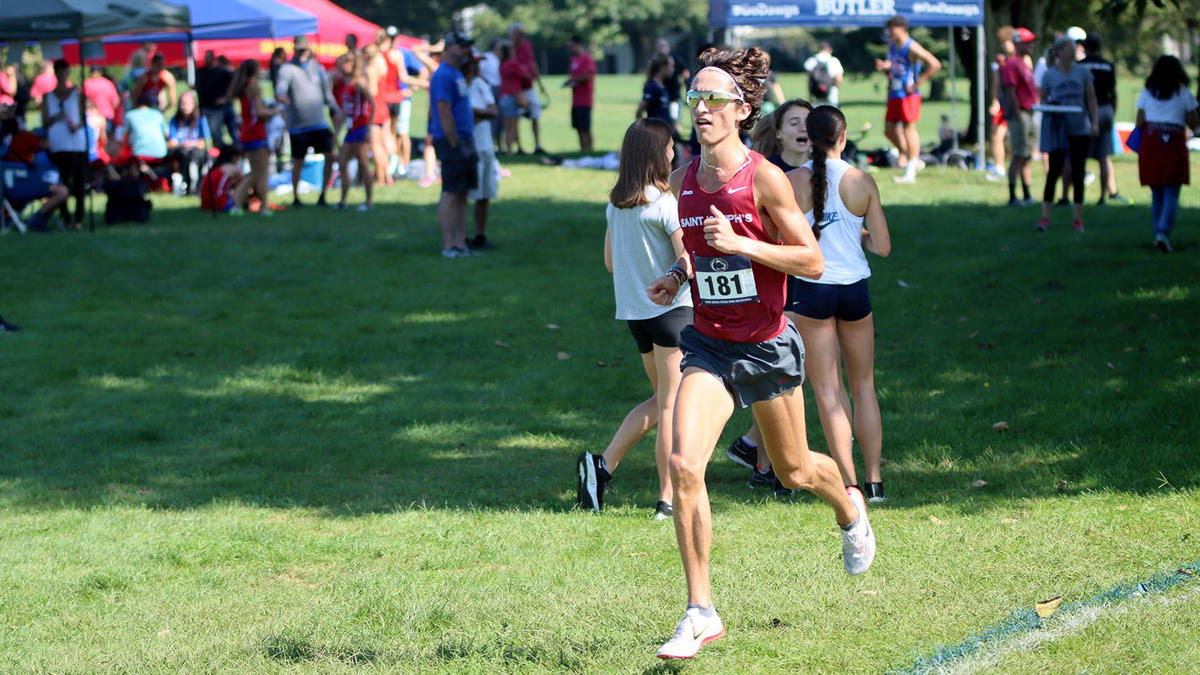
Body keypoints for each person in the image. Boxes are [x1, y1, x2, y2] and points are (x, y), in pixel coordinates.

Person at [648, 47, 875, 660]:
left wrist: (747, 246)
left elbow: (812, 260)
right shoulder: (683, 181)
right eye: (695, 97)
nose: (701, 108)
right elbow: (697, 247)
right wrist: (676, 275)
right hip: (709, 344)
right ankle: (700, 611)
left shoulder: (765, 178)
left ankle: (849, 507)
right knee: (684, 463)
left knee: (797, 470)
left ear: (743, 109)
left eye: (714, 98)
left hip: (767, 347)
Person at [578, 117, 691, 520]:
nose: (674, 152)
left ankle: (602, 465)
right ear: (656, 155)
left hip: (637, 318)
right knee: (672, 406)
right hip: (674, 312)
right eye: (670, 147)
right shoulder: (665, 205)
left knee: (662, 398)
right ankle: (667, 499)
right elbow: (687, 259)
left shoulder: (616, 205)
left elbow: (610, 264)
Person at [788, 104, 892, 502]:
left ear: (808, 139)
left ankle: (848, 483)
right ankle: (875, 480)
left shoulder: (793, 180)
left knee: (829, 391)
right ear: (844, 137)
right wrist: (858, 234)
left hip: (811, 289)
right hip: (854, 290)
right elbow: (882, 247)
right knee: (863, 385)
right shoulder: (862, 181)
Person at [733, 98, 815, 492]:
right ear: (778, 132)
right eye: (795, 122)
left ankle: (759, 456)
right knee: (781, 379)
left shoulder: (822, 173)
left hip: (815, 282)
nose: (804, 129)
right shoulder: (771, 175)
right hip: (780, 285)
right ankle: (765, 462)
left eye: (810, 122)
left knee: (786, 379)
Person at [1136, 55, 1198, 253]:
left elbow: (1139, 122)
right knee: (1172, 192)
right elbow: (1193, 122)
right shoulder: (1184, 94)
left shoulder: (1147, 93)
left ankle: (1158, 233)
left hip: (1151, 143)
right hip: (1174, 143)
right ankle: (1163, 232)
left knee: (1157, 193)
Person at [1037, 36, 1098, 233]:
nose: (1073, 52)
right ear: (1059, 52)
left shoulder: (1083, 72)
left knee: (1078, 172)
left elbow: (1091, 98)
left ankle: (1078, 219)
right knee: (1054, 171)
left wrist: (1094, 122)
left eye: (1075, 49)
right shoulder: (1050, 75)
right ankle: (1045, 218)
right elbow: (1043, 100)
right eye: (1069, 49)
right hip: (1058, 131)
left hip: (1079, 129)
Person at [874, 15, 941, 184]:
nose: (889, 32)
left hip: (908, 95)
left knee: (908, 129)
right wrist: (885, 69)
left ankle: (910, 172)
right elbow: (895, 69)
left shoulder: (911, 46)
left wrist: (918, 83)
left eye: (892, 28)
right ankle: (912, 158)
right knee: (889, 129)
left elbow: (934, 64)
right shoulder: (892, 46)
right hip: (894, 93)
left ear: (901, 28)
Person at [431, 31, 478, 258]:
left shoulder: (456, 73)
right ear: (448, 48)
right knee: (450, 192)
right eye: (462, 46)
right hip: (453, 140)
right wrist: (454, 141)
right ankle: (449, 245)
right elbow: (443, 111)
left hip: (464, 139)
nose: (466, 50)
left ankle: (461, 243)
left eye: (467, 46)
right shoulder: (442, 75)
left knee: (462, 193)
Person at [275, 36, 338, 207]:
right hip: (298, 125)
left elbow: (327, 94)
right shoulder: (287, 69)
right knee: (298, 161)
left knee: (330, 156)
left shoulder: (317, 68)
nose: (303, 53)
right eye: (299, 49)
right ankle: (296, 197)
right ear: (294, 50)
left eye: (305, 49)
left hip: (319, 122)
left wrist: (335, 109)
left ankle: (323, 194)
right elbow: (281, 88)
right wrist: (281, 97)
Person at [1078, 33, 1129, 205]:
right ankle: (1103, 197)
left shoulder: (1080, 66)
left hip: (1085, 112)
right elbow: (1113, 93)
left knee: (1080, 155)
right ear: (1100, 47)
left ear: (1084, 47)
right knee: (1103, 156)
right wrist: (1111, 111)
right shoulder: (1108, 66)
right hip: (1105, 109)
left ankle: (1079, 196)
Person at [1, 106, 69, 232]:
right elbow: (48, 145)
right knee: (62, 191)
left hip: (8, 186)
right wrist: (39, 133)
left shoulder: (5, 143)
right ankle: (36, 221)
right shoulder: (24, 138)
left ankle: (34, 220)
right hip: (23, 183)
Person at [228, 59, 280, 215]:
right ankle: (246, 205)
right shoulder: (254, 86)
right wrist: (277, 111)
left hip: (247, 133)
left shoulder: (244, 86)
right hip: (256, 133)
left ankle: (250, 205)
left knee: (258, 172)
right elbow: (258, 112)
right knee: (260, 173)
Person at [42, 59, 87, 231]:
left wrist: (75, 126)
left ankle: (79, 218)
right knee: (62, 182)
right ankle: (66, 217)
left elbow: (82, 119)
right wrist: (55, 118)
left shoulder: (77, 94)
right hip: (58, 145)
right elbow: (46, 121)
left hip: (76, 145)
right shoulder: (48, 97)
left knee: (78, 181)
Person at [332, 52, 375, 211]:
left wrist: (370, 126)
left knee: (364, 164)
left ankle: (369, 201)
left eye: (346, 64)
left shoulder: (359, 82)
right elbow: (344, 110)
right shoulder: (345, 84)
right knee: (342, 162)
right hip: (351, 130)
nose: (343, 67)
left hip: (361, 127)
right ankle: (343, 200)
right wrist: (337, 131)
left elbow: (372, 103)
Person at [1001, 28, 1039, 207]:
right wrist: (1017, 115)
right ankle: (1012, 196)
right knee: (1018, 155)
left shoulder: (1024, 63)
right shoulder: (1012, 64)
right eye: (1027, 42)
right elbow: (1010, 91)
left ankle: (1026, 193)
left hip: (1029, 113)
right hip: (1020, 115)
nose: (1031, 45)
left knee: (1027, 155)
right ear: (1018, 43)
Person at [464, 53, 498, 249]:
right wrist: (479, 113)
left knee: (485, 194)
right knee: (466, 195)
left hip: (485, 146)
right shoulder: (461, 84)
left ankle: (480, 235)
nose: (477, 68)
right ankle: (461, 236)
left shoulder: (481, 84)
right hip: (471, 146)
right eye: (474, 64)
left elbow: (493, 111)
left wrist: (475, 112)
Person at [394, 31, 434, 179]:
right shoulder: (385, 54)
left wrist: (413, 89)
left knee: (403, 133)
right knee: (393, 134)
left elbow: (421, 71)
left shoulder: (405, 54)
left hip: (402, 98)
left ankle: (404, 165)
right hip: (389, 98)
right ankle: (395, 165)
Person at [510, 23, 547, 154]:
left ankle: (537, 145)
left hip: (529, 86)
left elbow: (532, 63)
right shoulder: (510, 48)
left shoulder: (527, 46)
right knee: (517, 117)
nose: (521, 37)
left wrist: (540, 83)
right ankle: (519, 147)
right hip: (517, 88)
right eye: (519, 34)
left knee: (535, 115)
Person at [167, 91, 211, 195]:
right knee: (183, 153)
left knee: (194, 154)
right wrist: (183, 144)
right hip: (181, 152)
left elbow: (205, 143)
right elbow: (171, 143)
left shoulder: (200, 119)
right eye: (182, 103)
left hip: (196, 153)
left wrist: (191, 144)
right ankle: (186, 183)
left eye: (187, 103)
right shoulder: (174, 120)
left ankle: (195, 183)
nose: (184, 106)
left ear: (193, 104)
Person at [987, 27, 1015, 181]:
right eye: (1003, 42)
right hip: (1003, 105)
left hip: (1017, 105)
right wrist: (995, 102)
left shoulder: (1022, 60)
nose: (1005, 45)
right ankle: (999, 168)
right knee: (996, 137)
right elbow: (996, 84)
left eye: (1007, 42)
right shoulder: (1001, 61)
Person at [195, 52, 237, 146]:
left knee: (218, 133)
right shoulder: (200, 72)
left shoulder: (221, 71)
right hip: (204, 106)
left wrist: (225, 98)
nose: (206, 60)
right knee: (209, 134)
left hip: (216, 108)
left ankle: (225, 152)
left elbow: (233, 83)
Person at [565, 36, 596, 153]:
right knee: (578, 127)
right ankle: (583, 149)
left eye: (571, 46)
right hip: (575, 99)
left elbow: (588, 75)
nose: (569, 49)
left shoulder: (587, 59)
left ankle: (589, 149)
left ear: (578, 45)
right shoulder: (573, 60)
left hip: (585, 100)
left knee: (585, 128)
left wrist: (574, 80)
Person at [498, 42, 528, 155]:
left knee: (508, 125)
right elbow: (524, 75)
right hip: (512, 97)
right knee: (512, 125)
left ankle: (515, 147)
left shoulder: (502, 64)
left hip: (503, 97)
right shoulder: (513, 64)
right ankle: (510, 150)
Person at [199, 146, 243, 213]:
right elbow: (243, 184)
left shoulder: (215, 168)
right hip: (220, 203)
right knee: (243, 188)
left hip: (205, 205)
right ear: (234, 157)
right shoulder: (233, 168)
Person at [83, 66, 120, 137]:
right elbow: (116, 101)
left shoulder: (87, 83)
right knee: (105, 141)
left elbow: (84, 100)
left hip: (92, 116)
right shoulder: (108, 83)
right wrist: (111, 110)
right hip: (107, 115)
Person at [804, 42, 844, 107]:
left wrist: (810, 96)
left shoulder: (811, 61)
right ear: (829, 49)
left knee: (817, 114)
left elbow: (809, 80)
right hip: (831, 91)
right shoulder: (834, 61)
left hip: (816, 92)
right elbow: (839, 78)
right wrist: (835, 88)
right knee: (832, 114)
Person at [637, 55, 673, 125]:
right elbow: (639, 111)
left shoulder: (663, 86)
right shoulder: (653, 87)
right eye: (671, 66)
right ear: (663, 67)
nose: (673, 69)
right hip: (657, 131)